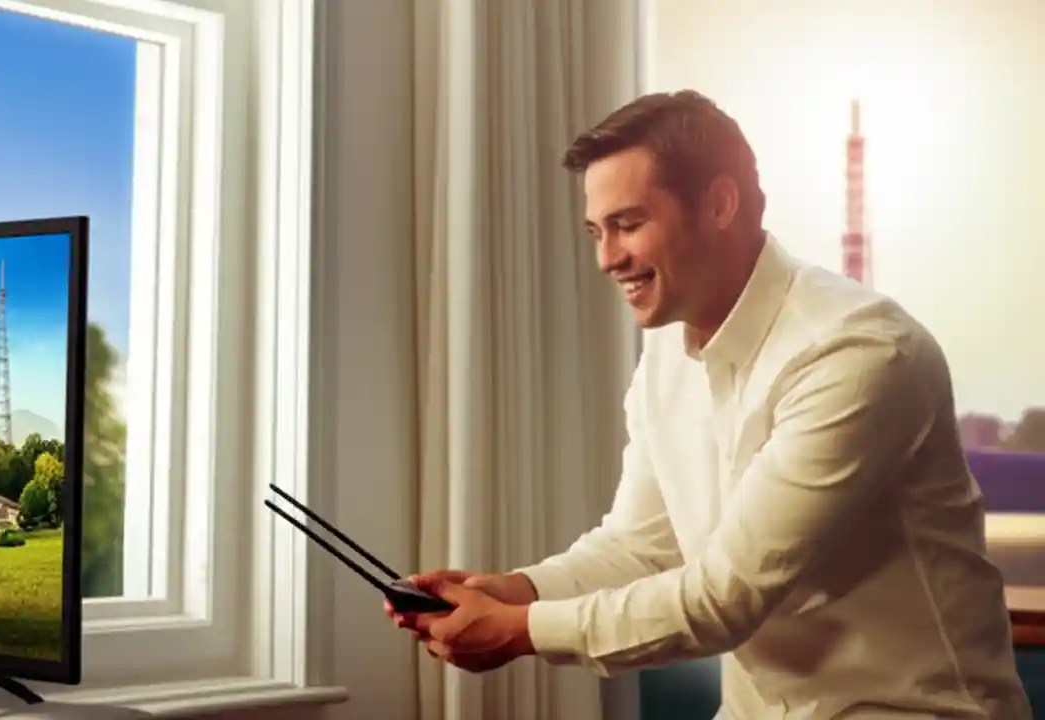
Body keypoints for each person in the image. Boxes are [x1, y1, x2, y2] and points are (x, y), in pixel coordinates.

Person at [386, 90, 1033, 718]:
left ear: (720, 203)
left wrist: (521, 629)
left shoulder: (858, 352)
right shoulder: (668, 359)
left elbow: (725, 597)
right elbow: (639, 548)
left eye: (628, 224)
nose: (607, 258)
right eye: (596, 231)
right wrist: (514, 591)